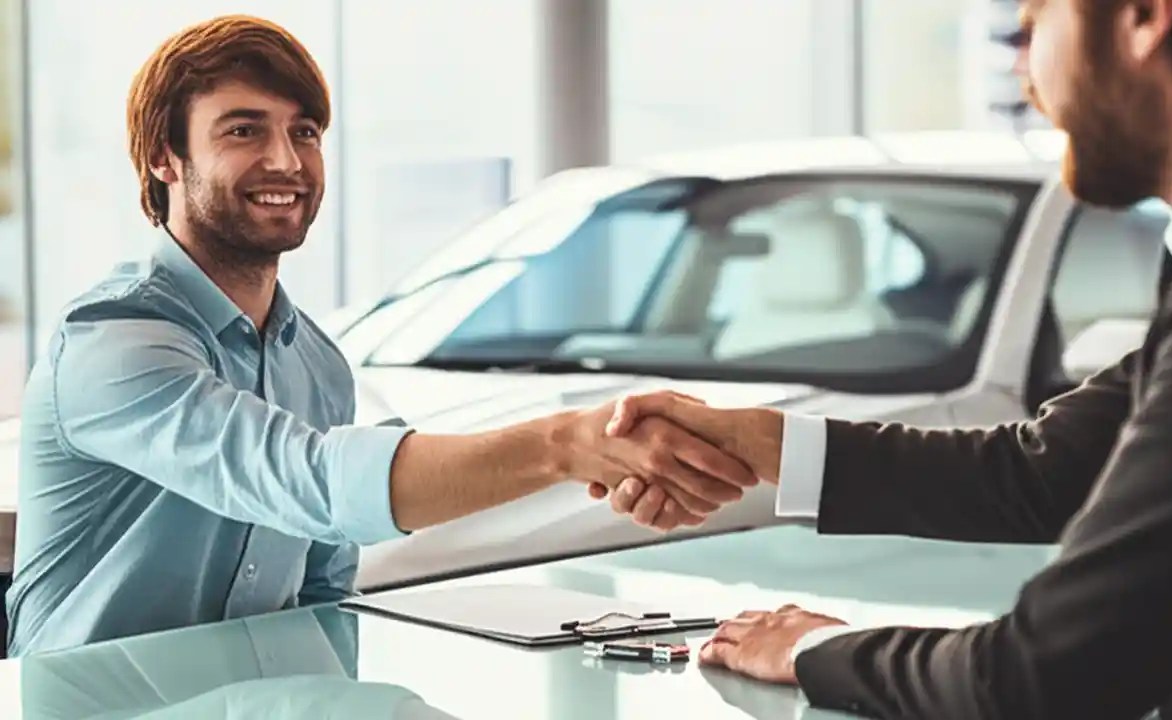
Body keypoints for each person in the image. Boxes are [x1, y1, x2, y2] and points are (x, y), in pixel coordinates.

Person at [604, 0, 1172, 718]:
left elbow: (1039, 676)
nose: (1021, 67)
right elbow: (1049, 468)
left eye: (1033, 21)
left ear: (1144, 15)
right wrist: (769, 447)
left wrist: (812, 651)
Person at [3, 15, 752, 657]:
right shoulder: (113, 341)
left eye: (305, 132)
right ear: (164, 159)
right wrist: (569, 445)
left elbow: (324, 598)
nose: (286, 161)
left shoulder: (315, 362)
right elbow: (309, 482)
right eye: (243, 131)